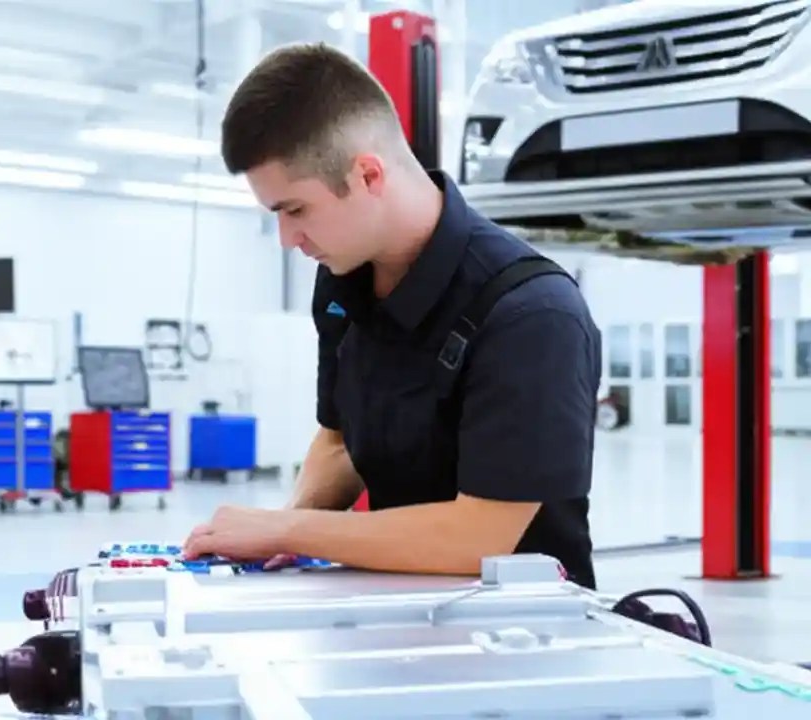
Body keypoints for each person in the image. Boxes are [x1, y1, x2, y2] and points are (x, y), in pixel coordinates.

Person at [181, 42, 602, 590]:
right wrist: (276, 539)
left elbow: (478, 537)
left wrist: (288, 529)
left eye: (296, 210)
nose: (287, 240)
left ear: (368, 175)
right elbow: (338, 443)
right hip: (395, 609)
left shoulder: (531, 314)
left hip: (527, 635)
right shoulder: (341, 283)